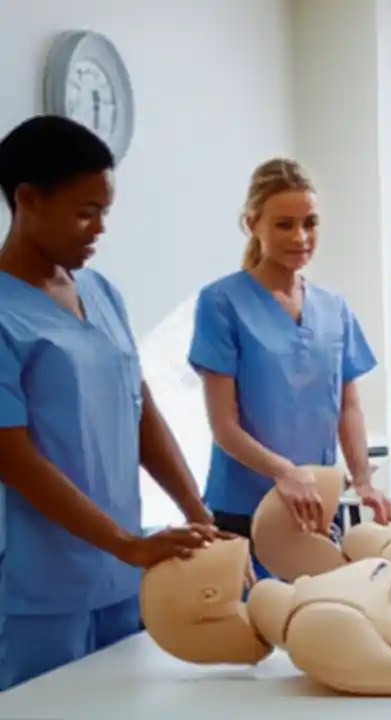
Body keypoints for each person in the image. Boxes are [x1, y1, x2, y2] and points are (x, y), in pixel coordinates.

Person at [0, 115, 220, 689]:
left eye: (105, 211)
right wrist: (125, 543)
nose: (98, 228)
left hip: (123, 578)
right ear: (27, 199)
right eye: (84, 211)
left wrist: (196, 511)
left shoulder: (101, 293)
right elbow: (11, 456)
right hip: (38, 591)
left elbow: (139, 411)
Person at [188, 158, 391, 579]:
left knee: (316, 626)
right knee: (254, 632)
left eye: (310, 223)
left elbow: (348, 407)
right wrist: (284, 472)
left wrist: (362, 481)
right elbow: (223, 425)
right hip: (244, 511)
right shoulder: (222, 303)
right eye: (284, 224)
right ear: (252, 224)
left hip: (316, 509)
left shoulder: (333, 308)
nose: (300, 237)